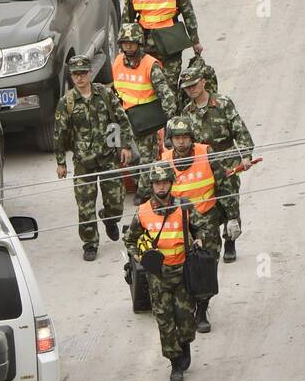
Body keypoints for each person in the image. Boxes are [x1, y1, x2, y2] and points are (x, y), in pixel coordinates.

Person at [125, 161, 210, 381]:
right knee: (165, 321)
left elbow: (202, 226)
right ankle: (175, 364)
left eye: (164, 182)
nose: (161, 187)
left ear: (171, 183)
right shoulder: (143, 212)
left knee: (185, 319)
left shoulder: (184, 206)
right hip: (158, 277)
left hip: (183, 273)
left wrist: (200, 238)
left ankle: (185, 344)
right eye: (157, 183)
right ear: (151, 186)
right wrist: (138, 255)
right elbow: (130, 239)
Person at [162, 117, 239, 332]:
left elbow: (225, 186)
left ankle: (202, 310)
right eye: (177, 138)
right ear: (171, 140)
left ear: (192, 138)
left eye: (185, 137)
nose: (181, 142)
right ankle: (182, 305)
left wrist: (232, 217)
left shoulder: (206, 153)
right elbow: (153, 191)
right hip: (177, 220)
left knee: (206, 264)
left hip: (206, 218)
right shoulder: (164, 160)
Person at [54, 56, 130, 261]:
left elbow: (122, 119)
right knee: (85, 207)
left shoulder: (105, 94)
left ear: (90, 73)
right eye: (75, 74)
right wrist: (61, 162)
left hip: (108, 157)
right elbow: (59, 133)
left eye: (83, 73)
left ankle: (110, 218)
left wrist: (125, 146)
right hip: (83, 162)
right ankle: (90, 244)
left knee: (116, 202)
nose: (79, 78)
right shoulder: (67, 102)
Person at [180, 57, 254, 264]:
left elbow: (239, 129)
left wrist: (246, 155)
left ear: (203, 81)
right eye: (187, 88)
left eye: (194, 85)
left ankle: (230, 240)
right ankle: (209, 243)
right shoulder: (187, 112)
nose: (191, 90)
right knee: (206, 205)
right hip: (202, 164)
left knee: (230, 201)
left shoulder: (222, 103)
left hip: (226, 160)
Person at [123, 0, 203, 91]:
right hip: (146, 45)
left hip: (170, 43)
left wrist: (195, 41)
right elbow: (127, 19)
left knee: (170, 86)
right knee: (148, 86)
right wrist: (124, 46)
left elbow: (188, 12)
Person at [113, 23, 177, 204]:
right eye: (125, 43)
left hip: (146, 121)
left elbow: (166, 94)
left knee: (146, 159)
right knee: (123, 156)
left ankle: (144, 194)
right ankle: (141, 185)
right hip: (123, 118)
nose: (128, 46)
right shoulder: (118, 62)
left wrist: (170, 124)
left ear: (139, 43)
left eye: (132, 43)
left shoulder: (150, 65)